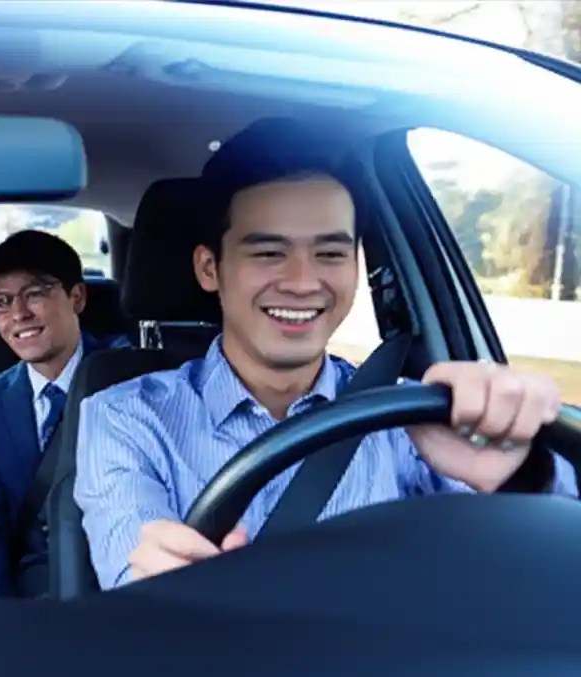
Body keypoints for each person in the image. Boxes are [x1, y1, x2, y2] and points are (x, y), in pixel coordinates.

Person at [74, 118, 579, 589]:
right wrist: (153, 580)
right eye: (268, 252)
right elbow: (129, 557)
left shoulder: (414, 417)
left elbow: (530, 576)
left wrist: (521, 478)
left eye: (331, 253)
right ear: (210, 269)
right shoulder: (122, 417)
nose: (303, 282)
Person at [0, 229, 120, 597]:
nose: (19, 314)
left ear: (76, 297)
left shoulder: (126, 378)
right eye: (2, 301)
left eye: (34, 294)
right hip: (34, 594)